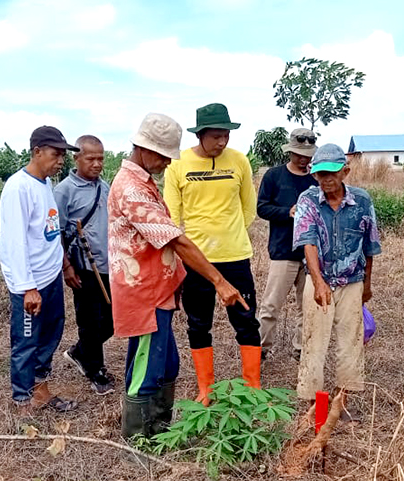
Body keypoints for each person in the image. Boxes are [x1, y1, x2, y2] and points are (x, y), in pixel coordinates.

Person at [109, 113, 249, 437]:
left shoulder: (143, 182)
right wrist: (219, 281)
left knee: (166, 364)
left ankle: (159, 431)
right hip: (143, 295)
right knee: (146, 369)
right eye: (162, 157)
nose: (166, 164)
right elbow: (178, 240)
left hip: (157, 292)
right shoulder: (132, 190)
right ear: (144, 149)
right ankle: (140, 442)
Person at [163, 103, 260, 405]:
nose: (222, 142)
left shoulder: (239, 161)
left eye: (226, 136)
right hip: (196, 260)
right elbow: (171, 216)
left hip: (235, 256)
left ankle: (252, 385)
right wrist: (194, 246)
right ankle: (206, 388)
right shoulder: (178, 166)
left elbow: (248, 207)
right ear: (201, 134)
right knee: (199, 323)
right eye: (216, 136)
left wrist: (229, 234)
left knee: (246, 319)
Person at [293, 144, 381, 421]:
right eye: (320, 174)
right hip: (319, 280)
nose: (326, 180)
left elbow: (370, 246)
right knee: (313, 341)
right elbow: (308, 242)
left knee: (350, 342)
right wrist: (318, 281)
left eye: (332, 173)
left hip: (353, 280)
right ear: (314, 174)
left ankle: (340, 404)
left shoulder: (362, 201)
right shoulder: (307, 200)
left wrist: (367, 284)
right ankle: (313, 406)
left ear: (345, 171)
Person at [0, 125, 79, 413]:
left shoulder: (44, 184)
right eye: (56, 154)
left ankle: (41, 392)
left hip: (50, 277)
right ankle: (22, 401)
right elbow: (15, 242)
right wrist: (28, 287)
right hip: (29, 284)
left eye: (63, 155)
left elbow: (50, 231)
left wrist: (64, 265)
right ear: (37, 151)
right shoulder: (18, 188)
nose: (61, 161)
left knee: (49, 338)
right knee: (26, 342)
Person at [53, 135, 115, 395]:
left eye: (101, 158)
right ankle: (95, 371)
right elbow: (55, 233)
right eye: (91, 158)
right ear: (76, 158)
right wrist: (66, 267)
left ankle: (80, 351)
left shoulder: (106, 186)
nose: (97, 164)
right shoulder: (63, 191)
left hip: (109, 265)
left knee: (112, 321)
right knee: (90, 321)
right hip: (83, 266)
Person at [256, 128, 318, 362]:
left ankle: (302, 351)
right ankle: (260, 350)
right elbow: (261, 208)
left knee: (308, 307)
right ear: (290, 151)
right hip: (283, 251)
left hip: (311, 252)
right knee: (271, 305)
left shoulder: (317, 178)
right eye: (299, 154)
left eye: (308, 155)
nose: (304, 159)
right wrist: (287, 212)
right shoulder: (274, 176)